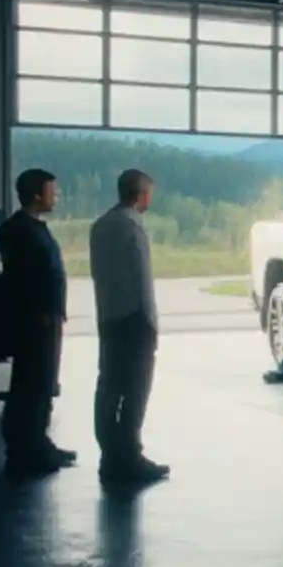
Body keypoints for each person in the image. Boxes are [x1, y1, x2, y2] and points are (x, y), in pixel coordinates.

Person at [90, 169, 169, 484]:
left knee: (108, 386)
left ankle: (110, 454)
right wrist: (151, 322)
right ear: (141, 195)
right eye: (149, 192)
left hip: (109, 316)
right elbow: (141, 280)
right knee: (135, 390)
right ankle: (130, 455)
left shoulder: (100, 226)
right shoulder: (132, 228)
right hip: (135, 320)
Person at [0, 168, 76, 476]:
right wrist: (42, 312)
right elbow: (23, 279)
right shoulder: (18, 231)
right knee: (31, 384)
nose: (55, 195)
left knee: (44, 384)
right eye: (51, 190)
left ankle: (38, 441)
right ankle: (24, 447)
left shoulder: (35, 228)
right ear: (35, 194)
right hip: (34, 322)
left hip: (47, 318)